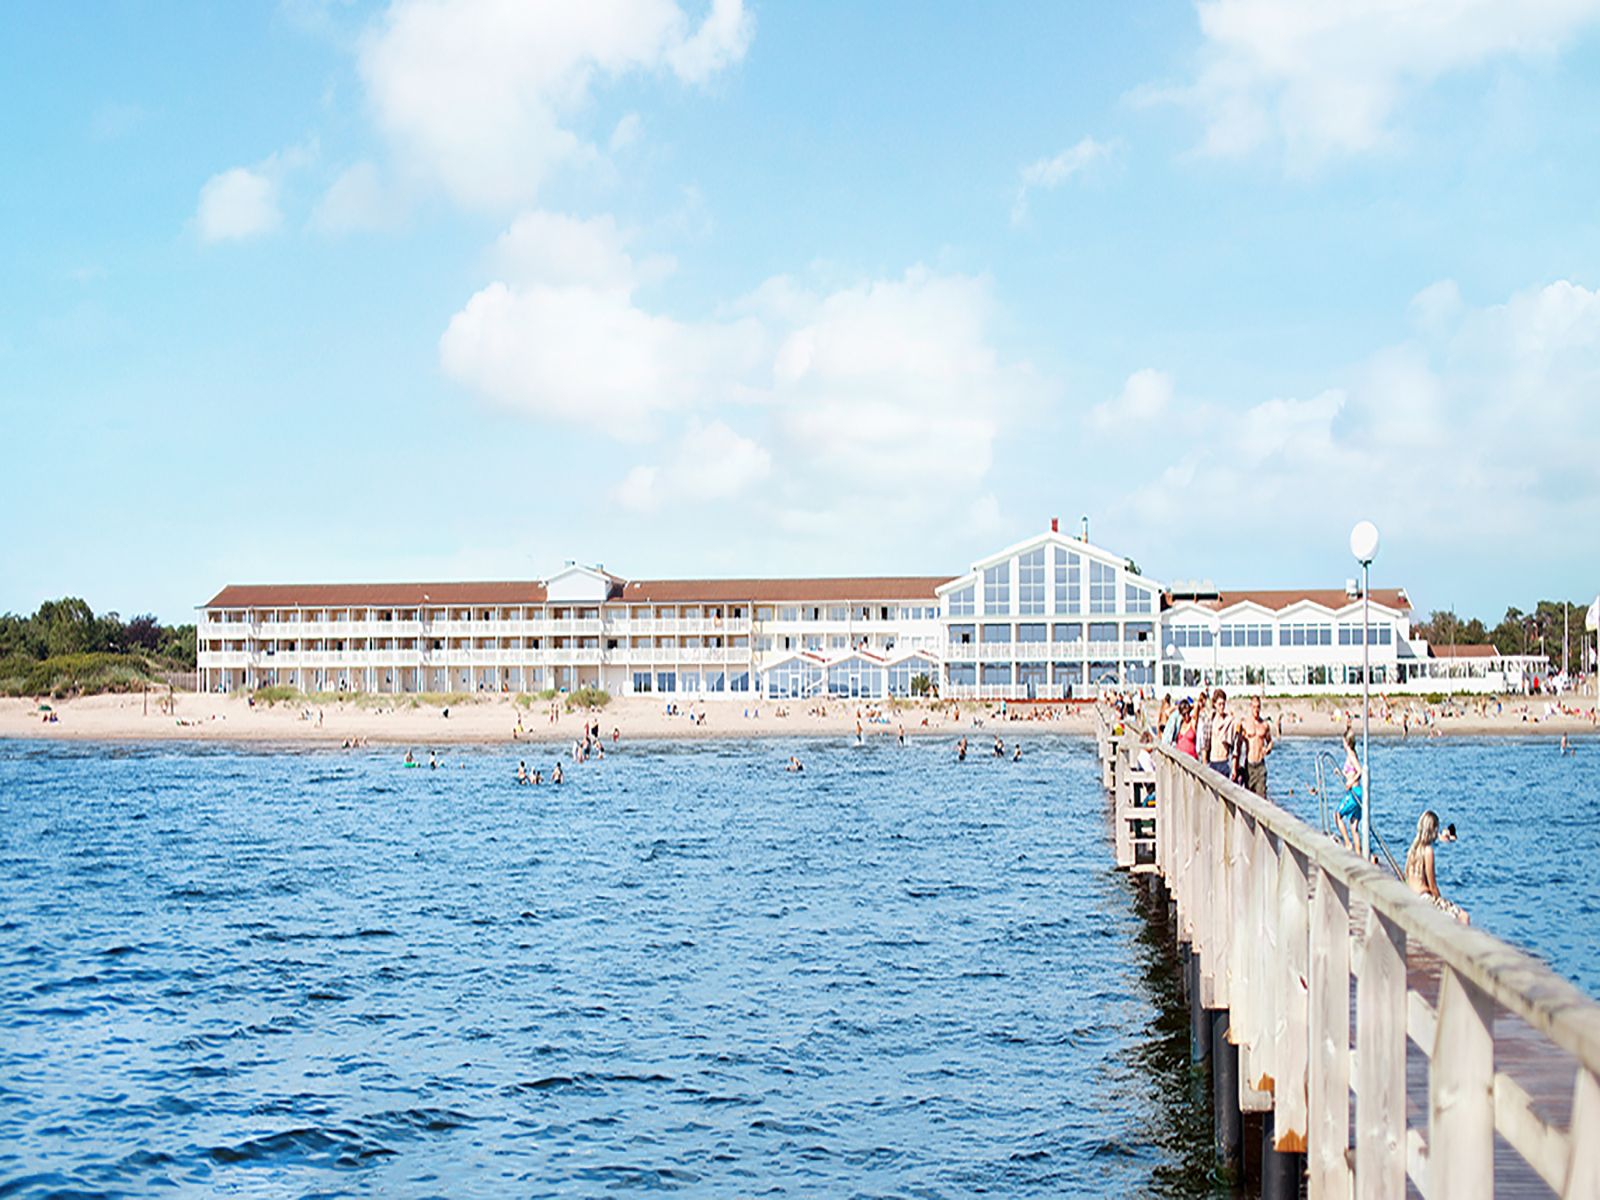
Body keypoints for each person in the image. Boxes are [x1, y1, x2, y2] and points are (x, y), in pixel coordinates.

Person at [1405, 809, 1468, 923]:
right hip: (1424, 898)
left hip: (1411, 896)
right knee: (1464, 917)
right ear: (1433, 830)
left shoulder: (1413, 850)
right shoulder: (1428, 851)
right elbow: (1432, 886)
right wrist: (1441, 902)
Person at [1240, 696, 1275, 798]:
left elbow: (1270, 741)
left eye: (1258, 707)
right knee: (1249, 797)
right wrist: (1236, 764)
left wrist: (1268, 749)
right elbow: (1238, 744)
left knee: (1261, 796)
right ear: (1251, 707)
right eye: (1254, 707)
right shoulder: (1245, 724)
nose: (1256, 710)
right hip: (1249, 765)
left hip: (1260, 766)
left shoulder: (1264, 725)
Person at [1335, 729, 1363, 851]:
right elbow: (1349, 773)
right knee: (1353, 825)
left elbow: (1360, 771)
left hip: (1354, 792)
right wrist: (1340, 772)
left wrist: (1351, 782)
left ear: (1346, 742)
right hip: (1357, 792)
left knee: (1337, 815)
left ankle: (1348, 843)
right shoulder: (1350, 755)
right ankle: (1358, 853)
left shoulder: (1351, 754)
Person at [1205, 690, 1235, 778]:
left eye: (1223, 704)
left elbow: (1233, 744)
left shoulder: (1228, 720)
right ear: (1215, 704)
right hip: (1213, 760)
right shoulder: (1211, 720)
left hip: (1224, 761)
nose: (1222, 707)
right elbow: (1206, 743)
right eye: (1219, 704)